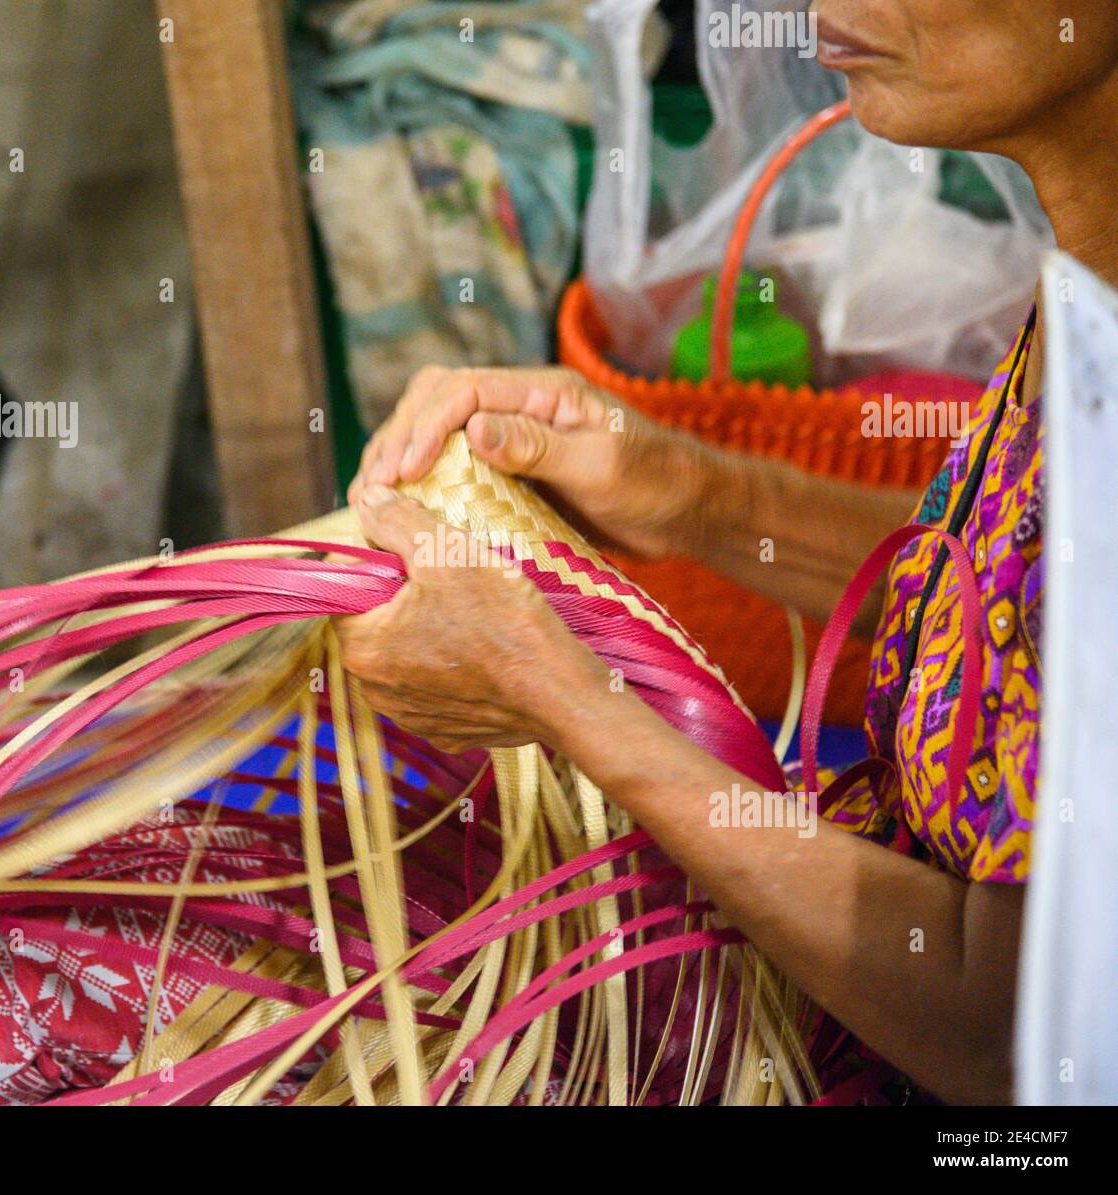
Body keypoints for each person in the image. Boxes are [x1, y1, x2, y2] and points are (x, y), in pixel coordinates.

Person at [336, 0, 1118, 1104]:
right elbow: (1002, 597)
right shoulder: (1088, 280)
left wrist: (559, 694)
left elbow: (1002, 1036)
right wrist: (691, 495)